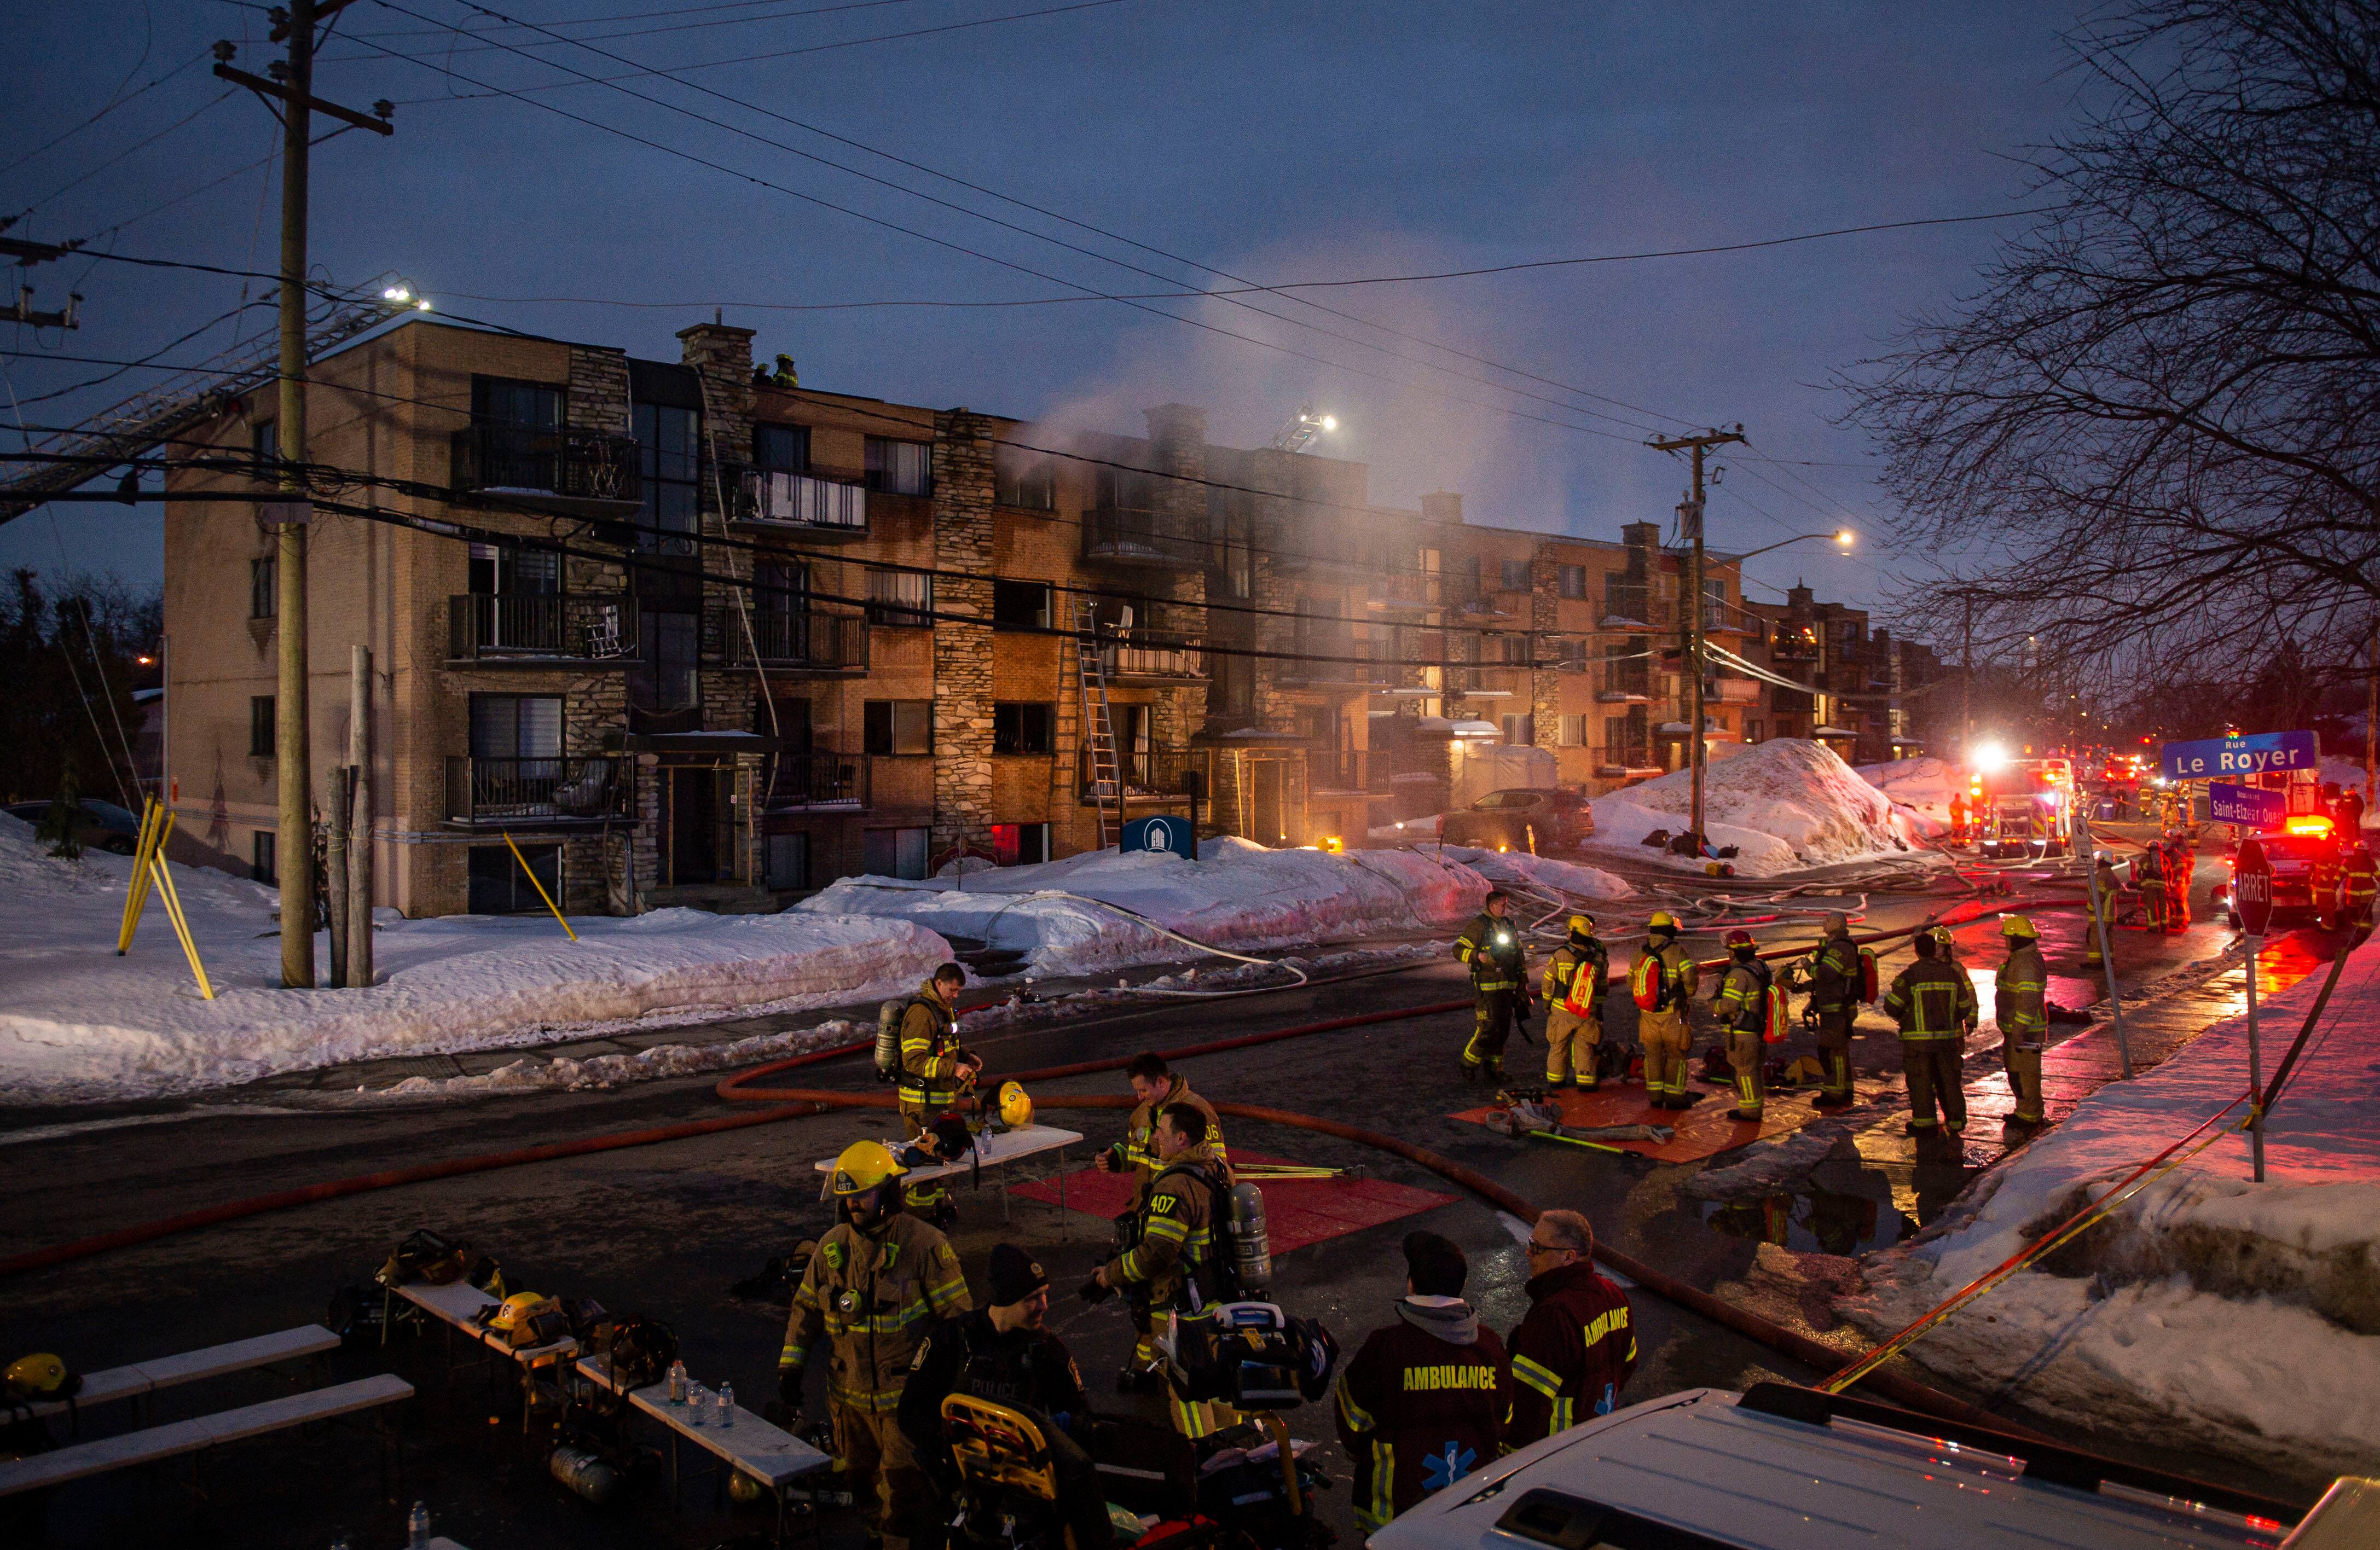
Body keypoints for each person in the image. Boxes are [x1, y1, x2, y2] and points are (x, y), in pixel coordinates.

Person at [781, 1140, 974, 1550]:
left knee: (904, 1496)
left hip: (905, 1408)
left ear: (887, 1192)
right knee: (861, 1486)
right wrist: (790, 1368)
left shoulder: (925, 1245)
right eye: (847, 1196)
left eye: (862, 1194)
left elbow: (958, 1324)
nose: (853, 1204)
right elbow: (805, 1310)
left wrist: (950, 1390)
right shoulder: (832, 1248)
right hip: (849, 1406)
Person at [900, 1243, 1113, 1550]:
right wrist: (943, 1454)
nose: (1044, 1306)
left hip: (1024, 1502)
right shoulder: (951, 1340)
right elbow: (911, 1411)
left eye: (1045, 1294)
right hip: (959, 1494)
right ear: (1004, 1300)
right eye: (1032, 1299)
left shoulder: (1048, 1352)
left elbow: (1080, 1421)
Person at [1334, 1232, 1507, 1533]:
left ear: (1411, 1284)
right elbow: (1504, 1420)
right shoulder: (1491, 1347)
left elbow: (1352, 1422)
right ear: (1462, 1286)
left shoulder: (1385, 1348)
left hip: (1394, 1517)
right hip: (1470, 1511)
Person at [1088, 1103, 1236, 1438]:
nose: (1156, 1135)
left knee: (1186, 1388)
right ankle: (1239, 1450)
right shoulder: (1219, 1170)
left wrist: (1110, 1273)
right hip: (1221, 1295)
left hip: (1184, 1305)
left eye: (1162, 1131)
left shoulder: (1175, 1185)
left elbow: (1157, 1254)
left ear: (1181, 1139)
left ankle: (1203, 1457)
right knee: (1220, 1381)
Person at [1096, 1053, 1227, 1389]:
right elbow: (1138, 1153)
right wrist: (1115, 1158)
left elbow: (1217, 1172)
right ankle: (1148, 1370)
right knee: (1143, 1309)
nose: (1139, 1097)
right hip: (1149, 1215)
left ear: (1163, 1082)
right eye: (1136, 1091)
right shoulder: (1143, 1115)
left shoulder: (1196, 1114)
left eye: (1144, 1090)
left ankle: (1173, 1378)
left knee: (1164, 1308)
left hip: (1178, 1222)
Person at [1503, 1210, 1636, 1448]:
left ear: (1568, 1257)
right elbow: (1628, 1363)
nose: (1528, 1253)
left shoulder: (1554, 1316)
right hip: (1598, 1435)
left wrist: (1508, 1459)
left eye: (1537, 1248)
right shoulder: (1615, 1295)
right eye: (1531, 1244)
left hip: (1556, 1448)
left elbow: (1529, 1401)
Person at [897, 963, 982, 1223]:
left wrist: (967, 1057)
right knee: (923, 1166)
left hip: (941, 1105)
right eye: (953, 990)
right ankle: (918, 1221)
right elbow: (912, 1060)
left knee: (940, 1162)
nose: (955, 995)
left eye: (959, 992)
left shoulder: (943, 1011)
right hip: (921, 1106)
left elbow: (947, 1045)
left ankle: (938, 1212)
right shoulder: (922, 1014)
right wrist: (953, 1068)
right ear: (939, 984)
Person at [1884, 931, 1977, 1137]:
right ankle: (1956, 1121)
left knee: (1921, 1082)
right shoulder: (1952, 974)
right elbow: (1964, 1006)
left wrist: (1908, 1016)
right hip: (1946, 1042)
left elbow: (1892, 1006)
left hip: (1918, 1044)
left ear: (1917, 951)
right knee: (1949, 1081)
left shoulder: (1910, 976)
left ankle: (1925, 1125)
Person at [1455, 891, 1529, 1082]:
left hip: (1507, 988)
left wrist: (1522, 987)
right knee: (1488, 1027)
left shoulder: (1508, 926)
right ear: (1491, 906)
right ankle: (1468, 1063)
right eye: (1501, 904)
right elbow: (1458, 950)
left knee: (1503, 1030)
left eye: (1506, 904)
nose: (1505, 907)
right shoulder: (1479, 925)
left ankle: (1495, 1068)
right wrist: (1477, 956)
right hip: (1488, 989)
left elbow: (1519, 956)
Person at [1631, 912, 1699, 1109]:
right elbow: (1690, 978)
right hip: (1673, 1014)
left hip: (1648, 1015)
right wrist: (1686, 994)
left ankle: (1655, 1097)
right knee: (1676, 1055)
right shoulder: (1677, 952)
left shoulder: (1639, 953)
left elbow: (1631, 982)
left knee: (1652, 1055)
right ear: (1670, 930)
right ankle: (1674, 1098)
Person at [1539, 915, 1608, 1089]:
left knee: (1558, 1045)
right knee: (1584, 1045)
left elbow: (1547, 981)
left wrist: (1547, 1004)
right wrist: (1597, 1007)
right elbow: (1602, 987)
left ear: (1572, 933)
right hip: (1586, 1010)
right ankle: (1586, 1081)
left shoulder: (1561, 954)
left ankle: (1556, 1080)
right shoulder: (1598, 958)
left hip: (1562, 1009)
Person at [1994, 916, 2048, 1136]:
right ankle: (2025, 1111)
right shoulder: (2021, 960)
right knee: (2017, 1073)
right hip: (2018, 1031)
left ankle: (2030, 1115)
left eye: (2008, 937)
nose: (2005, 941)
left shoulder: (2025, 965)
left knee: (2027, 1075)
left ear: (2017, 939)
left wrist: (2018, 1030)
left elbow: (2027, 1002)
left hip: (2025, 1032)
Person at [1711, 930, 1772, 1122]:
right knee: (1755, 1070)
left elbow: (1729, 1005)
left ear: (1733, 952)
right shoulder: (1761, 967)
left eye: (1729, 950)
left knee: (1744, 1072)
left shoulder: (1738, 975)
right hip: (1759, 1029)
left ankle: (1749, 1111)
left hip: (1743, 1032)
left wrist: (1712, 1005)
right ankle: (1755, 1106)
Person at [1802, 913, 1861, 1110]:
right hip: (1837, 1009)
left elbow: (1827, 974)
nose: (1823, 923)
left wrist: (1808, 966)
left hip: (1836, 1010)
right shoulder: (1839, 946)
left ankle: (1834, 1095)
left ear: (1836, 925)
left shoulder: (1839, 948)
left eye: (1827, 921)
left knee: (1832, 1052)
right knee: (1840, 1052)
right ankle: (1846, 1089)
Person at [2163, 834, 2192, 931]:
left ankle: (2181, 922)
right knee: (2173, 903)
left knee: (2178, 903)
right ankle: (2175, 922)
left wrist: (2175, 883)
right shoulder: (2172, 856)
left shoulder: (2177, 857)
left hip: (2178, 884)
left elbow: (2181, 870)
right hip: (2174, 883)